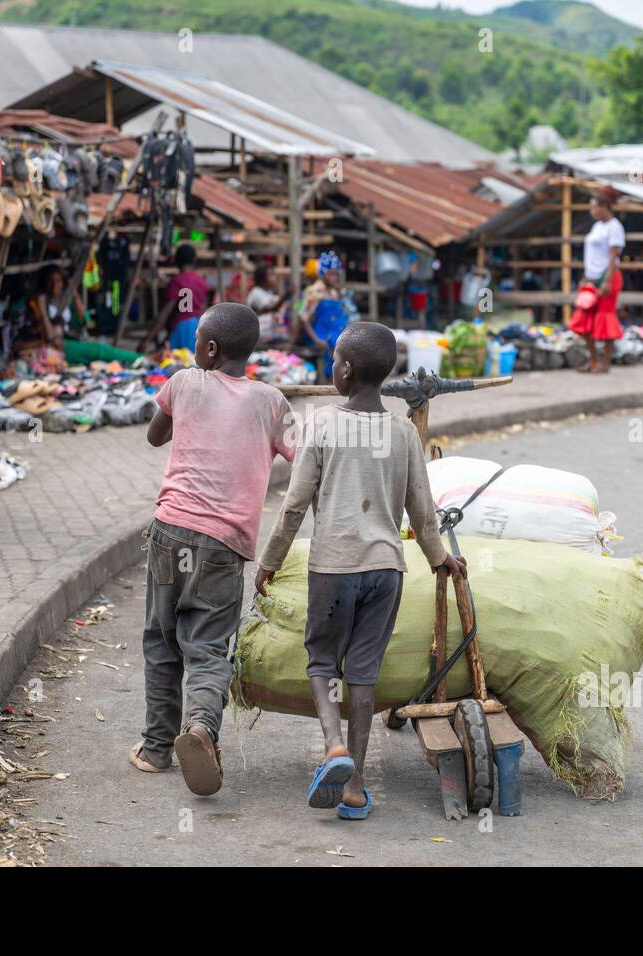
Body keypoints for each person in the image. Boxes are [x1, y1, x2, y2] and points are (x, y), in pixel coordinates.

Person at [255, 322, 466, 820]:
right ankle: (357, 786)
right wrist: (440, 558)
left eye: (334, 359)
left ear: (346, 371)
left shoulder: (323, 424)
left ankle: (333, 747)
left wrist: (269, 562)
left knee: (324, 662)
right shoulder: (402, 432)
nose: (332, 367)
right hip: (385, 571)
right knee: (364, 674)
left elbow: (293, 507)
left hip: (334, 567)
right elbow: (422, 510)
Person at [131, 302, 296, 796]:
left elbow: (154, 435)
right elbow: (304, 456)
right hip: (225, 543)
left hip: (170, 530)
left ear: (209, 348)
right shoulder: (271, 401)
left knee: (161, 643)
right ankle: (201, 727)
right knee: (207, 648)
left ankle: (156, 748)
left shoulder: (183, 382)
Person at [569, 184, 625, 374]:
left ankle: (605, 363)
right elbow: (592, 256)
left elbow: (612, 258)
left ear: (604, 206)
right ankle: (593, 361)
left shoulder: (615, 227)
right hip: (591, 279)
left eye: (594, 207)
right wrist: (585, 278)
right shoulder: (597, 227)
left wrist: (607, 281)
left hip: (608, 279)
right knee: (584, 321)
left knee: (605, 319)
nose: (592, 211)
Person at [139, 243, 208, 354]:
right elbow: (204, 310)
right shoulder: (201, 281)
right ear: (195, 260)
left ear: (176, 261)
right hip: (196, 327)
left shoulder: (176, 281)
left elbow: (165, 312)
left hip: (180, 327)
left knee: (175, 364)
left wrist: (147, 339)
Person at [294, 250, 351, 380]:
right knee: (333, 347)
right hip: (320, 336)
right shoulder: (312, 291)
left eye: (336, 275)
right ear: (322, 274)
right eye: (331, 274)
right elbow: (303, 317)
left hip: (336, 333)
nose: (334, 278)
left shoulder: (334, 292)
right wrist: (316, 339)